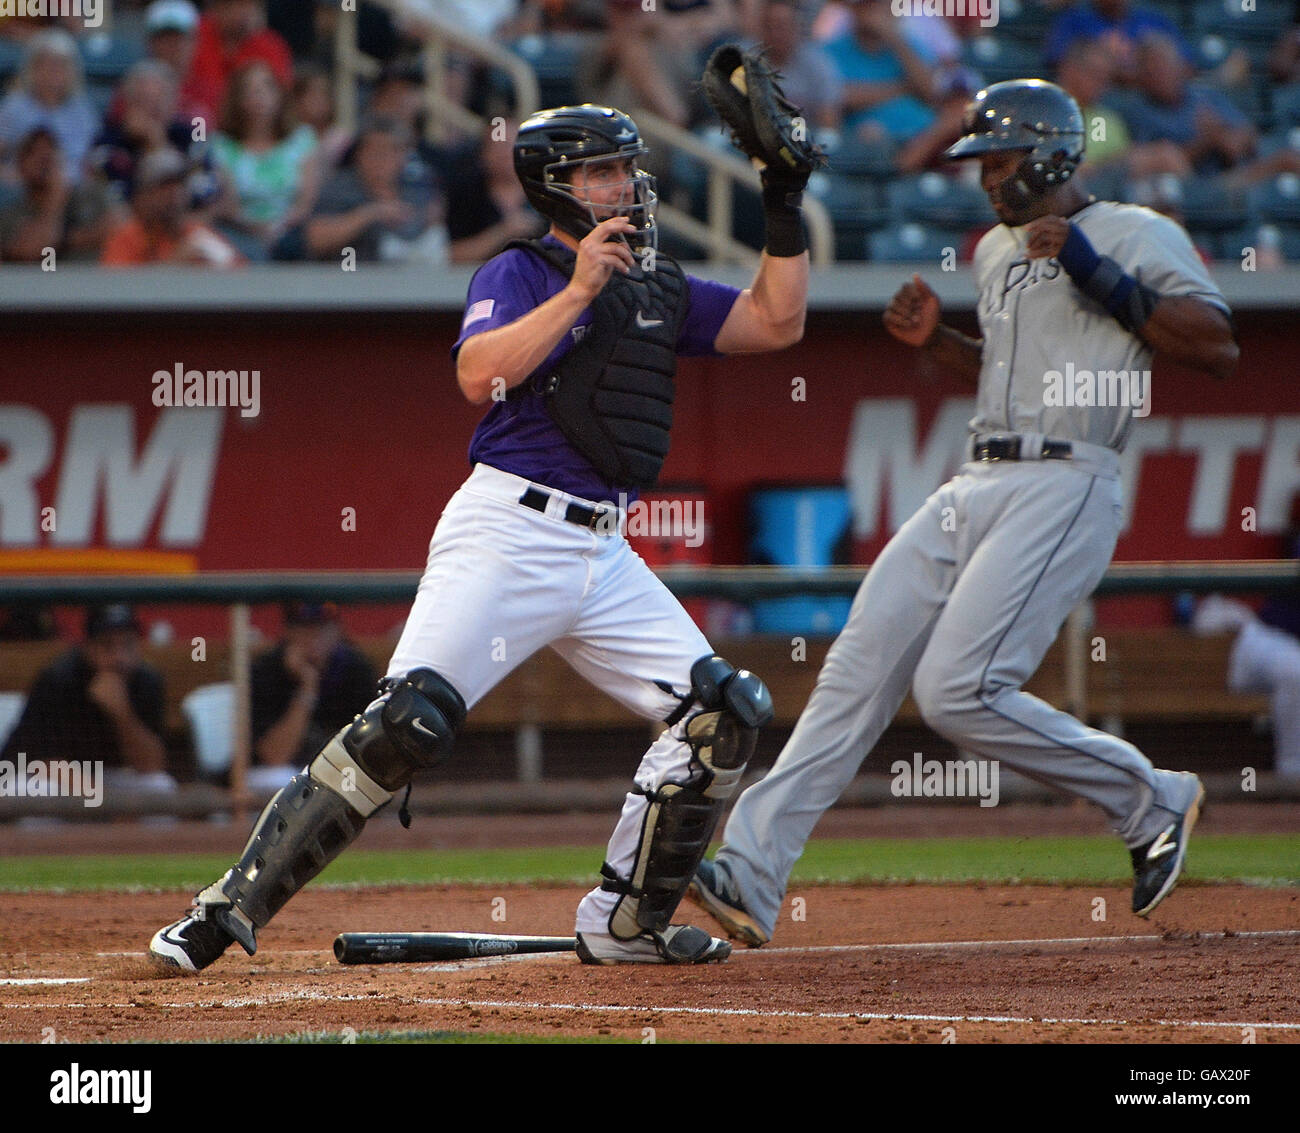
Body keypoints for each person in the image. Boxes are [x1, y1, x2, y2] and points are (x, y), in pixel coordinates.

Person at [148, 101, 810, 972]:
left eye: (625, 168)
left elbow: (778, 321)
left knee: (725, 713)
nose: (623, 185)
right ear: (557, 187)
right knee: (407, 723)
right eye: (602, 171)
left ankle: (624, 923)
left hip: (604, 551)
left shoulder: (658, 284)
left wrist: (783, 196)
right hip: (509, 527)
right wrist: (579, 288)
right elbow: (477, 372)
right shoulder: (523, 268)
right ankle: (222, 909)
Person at [689, 79, 1238, 949]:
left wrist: (1094, 269)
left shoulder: (1136, 231)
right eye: (980, 159)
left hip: (1069, 478)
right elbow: (1011, 378)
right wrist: (936, 347)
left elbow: (1215, 342)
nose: (986, 175)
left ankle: (1151, 796)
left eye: (1001, 157)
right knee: (856, 665)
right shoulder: (993, 251)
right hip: (978, 475)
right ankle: (751, 872)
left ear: (1053, 152)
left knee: (958, 690)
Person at [2, 605, 175, 791]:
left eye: (128, 644)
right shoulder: (59, 678)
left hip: (108, 777)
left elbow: (151, 765)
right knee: (28, 790)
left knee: (161, 786)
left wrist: (122, 713)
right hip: (46, 777)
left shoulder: (147, 680)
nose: (120, 657)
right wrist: (100, 800)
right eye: (107, 645)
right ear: (88, 647)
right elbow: (43, 761)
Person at [249, 602, 377, 792]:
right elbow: (274, 757)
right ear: (288, 632)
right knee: (278, 780)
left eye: (323, 628)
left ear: (337, 630)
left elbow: (371, 751)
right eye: (305, 629)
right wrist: (307, 688)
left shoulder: (355, 668)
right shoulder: (267, 669)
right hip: (281, 774)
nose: (314, 638)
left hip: (341, 769)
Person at [211, 59, 320, 260]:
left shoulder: (302, 140)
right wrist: (257, 229)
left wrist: (278, 228)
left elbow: (305, 203)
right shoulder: (221, 147)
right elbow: (228, 205)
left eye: (266, 87)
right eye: (250, 90)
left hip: (291, 232)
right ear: (238, 99)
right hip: (239, 232)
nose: (259, 95)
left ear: (279, 94)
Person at [306, 115, 448, 263]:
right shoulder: (338, 188)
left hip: (412, 277)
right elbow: (314, 240)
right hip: (351, 276)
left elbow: (432, 236)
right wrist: (371, 214)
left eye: (391, 151)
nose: (381, 159)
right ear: (359, 154)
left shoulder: (417, 187)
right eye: (375, 150)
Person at [100, 146, 242, 267]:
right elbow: (117, 291)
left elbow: (242, 279)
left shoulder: (200, 236)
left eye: (179, 185)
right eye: (164, 186)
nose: (174, 194)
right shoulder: (127, 238)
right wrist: (174, 263)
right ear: (143, 196)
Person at [0, 28, 100, 186]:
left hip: (74, 191)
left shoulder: (82, 110)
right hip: (25, 190)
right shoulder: (13, 107)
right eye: (47, 64)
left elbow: (92, 160)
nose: (53, 72)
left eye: (60, 65)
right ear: (32, 69)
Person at [0, 126, 114, 263]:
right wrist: (54, 200)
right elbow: (30, 251)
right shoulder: (10, 215)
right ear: (20, 164)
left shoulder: (89, 194)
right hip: (39, 282)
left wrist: (65, 239)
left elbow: (119, 226)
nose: (43, 159)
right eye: (33, 152)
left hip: (92, 279)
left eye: (49, 151)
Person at [185, 0, 294, 128]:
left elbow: (283, 101)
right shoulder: (194, 35)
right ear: (215, 9)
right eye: (231, 5)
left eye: (247, 6)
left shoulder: (271, 46)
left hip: (250, 130)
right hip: (199, 125)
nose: (241, 13)